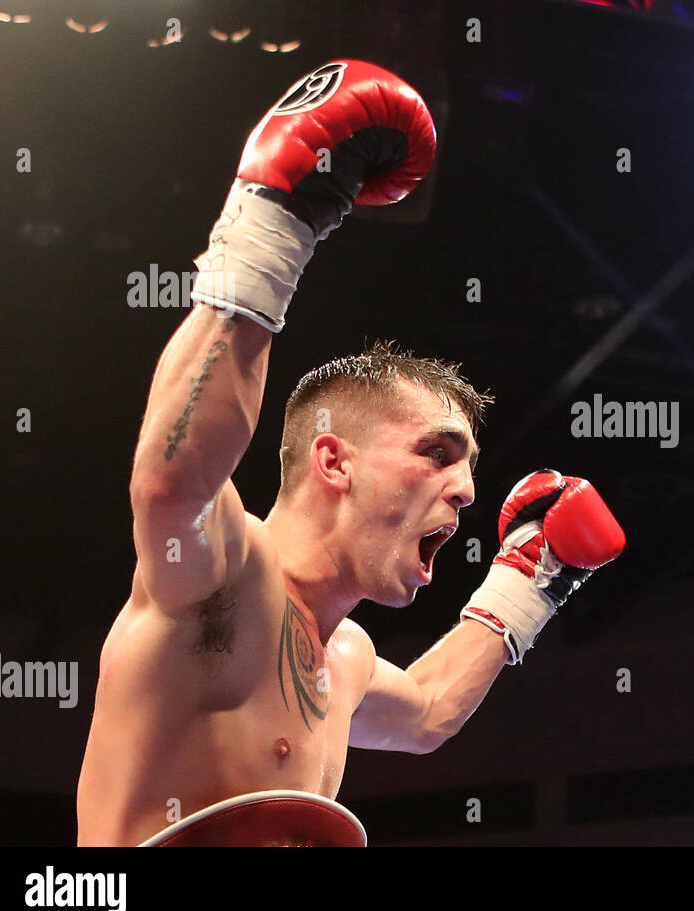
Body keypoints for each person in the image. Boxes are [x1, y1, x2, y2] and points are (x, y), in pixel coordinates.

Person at [76, 60, 625, 846]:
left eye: (467, 467)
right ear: (335, 463)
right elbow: (171, 486)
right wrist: (271, 228)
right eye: (437, 454)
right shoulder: (227, 581)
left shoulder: (352, 656)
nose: (467, 491)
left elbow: (430, 713)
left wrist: (529, 580)